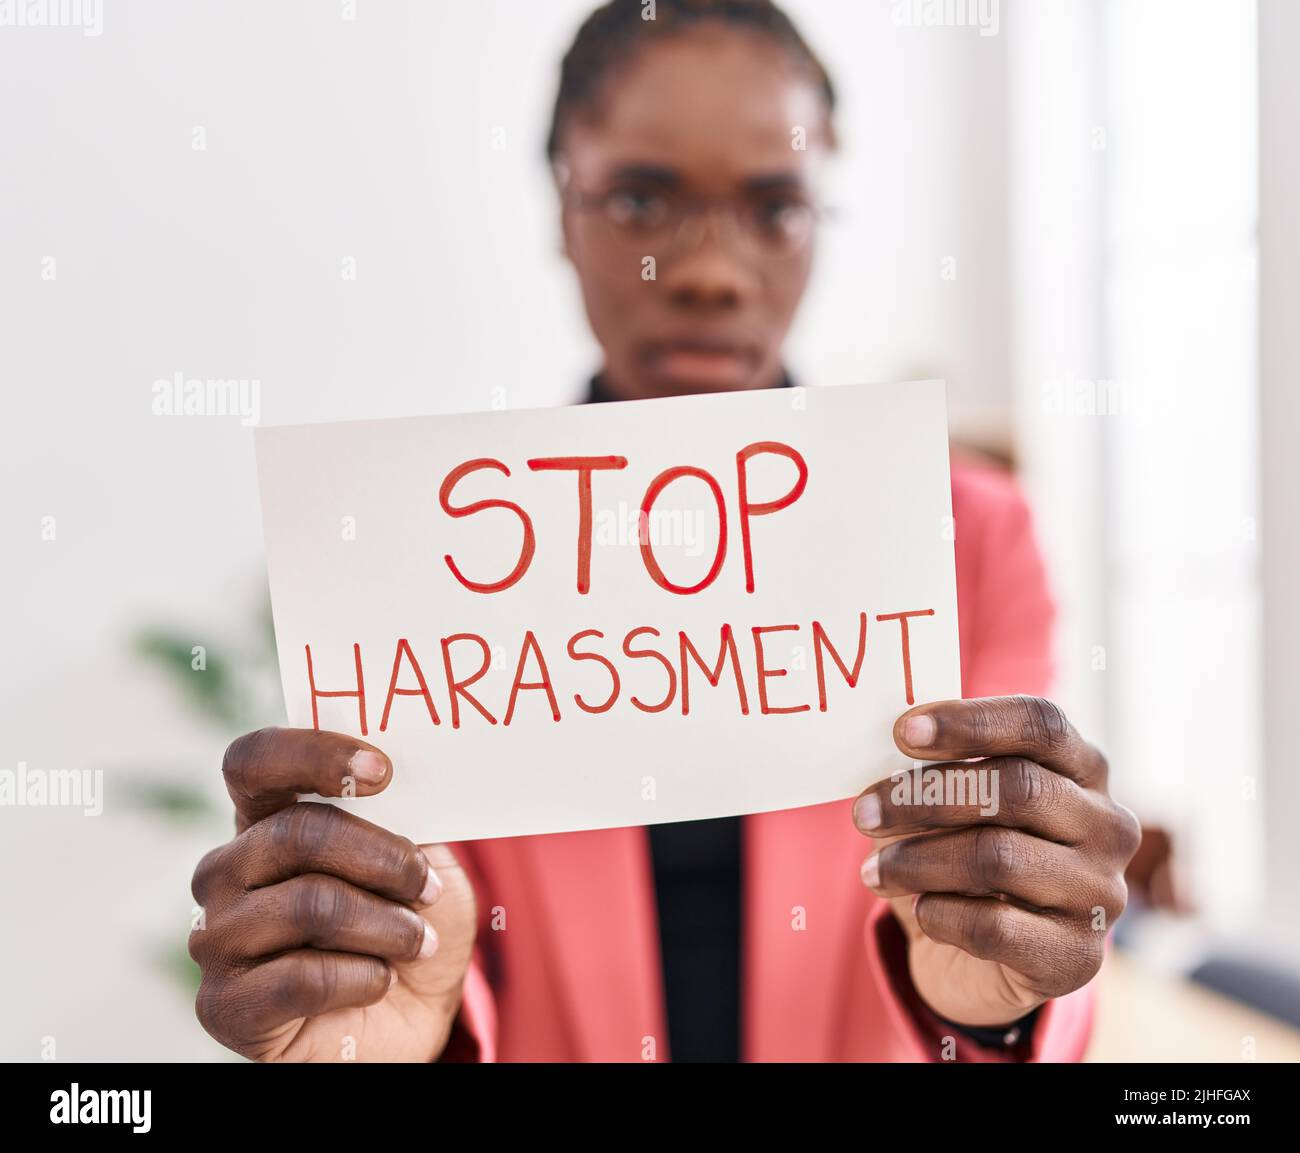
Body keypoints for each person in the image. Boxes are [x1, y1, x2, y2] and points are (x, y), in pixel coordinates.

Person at [188, 0, 1141, 1062]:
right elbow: (418, 942)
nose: (707, 273)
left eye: (775, 209)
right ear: (563, 206)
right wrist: (376, 1031)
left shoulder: (970, 536)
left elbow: (1004, 913)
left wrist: (1000, 992)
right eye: (642, 199)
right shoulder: (431, 542)